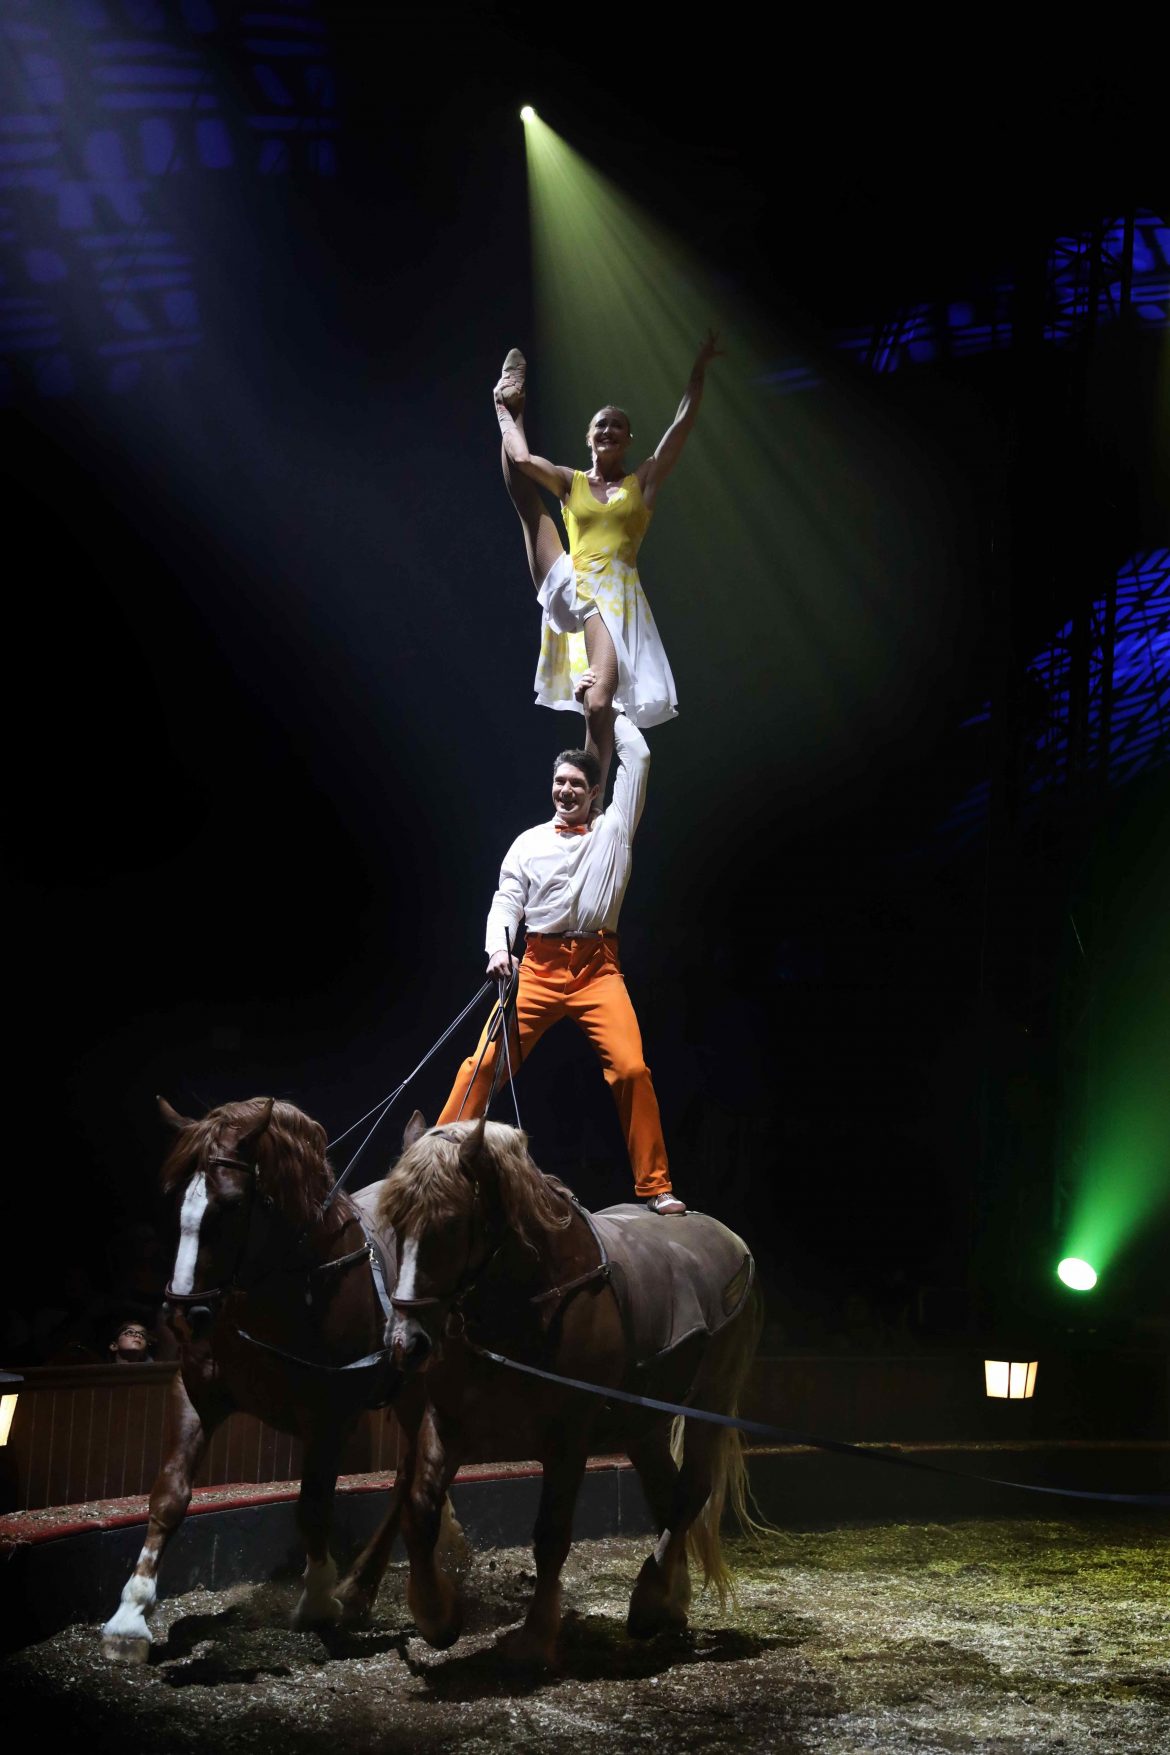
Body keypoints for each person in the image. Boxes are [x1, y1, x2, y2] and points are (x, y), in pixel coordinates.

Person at [435, 703, 685, 1214]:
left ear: (596, 792)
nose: (566, 791)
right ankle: (433, 1161)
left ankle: (656, 1186)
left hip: (598, 970)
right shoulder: (528, 844)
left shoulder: (615, 830)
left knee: (633, 1070)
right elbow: (507, 899)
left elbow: (637, 756)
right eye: (560, 782)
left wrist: (606, 708)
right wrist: (498, 947)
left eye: (577, 784)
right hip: (539, 968)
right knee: (483, 1063)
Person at [493, 333, 720, 795]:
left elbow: (679, 429)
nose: (608, 430)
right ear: (589, 437)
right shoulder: (569, 480)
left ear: (629, 438)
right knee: (523, 493)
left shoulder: (642, 483)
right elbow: (519, 457)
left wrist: (697, 375)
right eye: (600, 425)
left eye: (617, 426)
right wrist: (506, 414)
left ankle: (590, 805)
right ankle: (506, 397)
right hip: (571, 578)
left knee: (599, 705)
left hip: (613, 601)